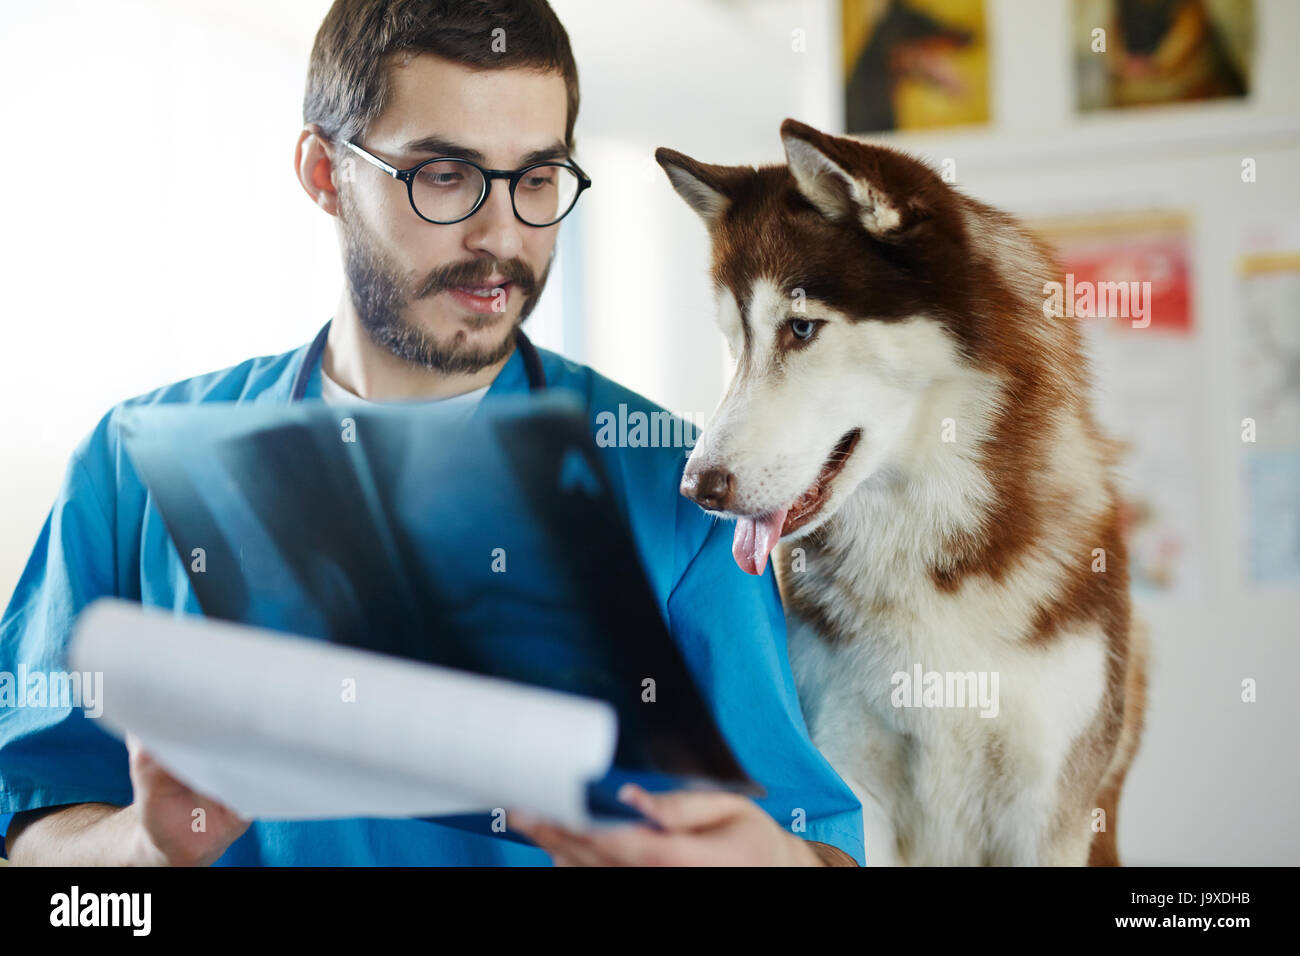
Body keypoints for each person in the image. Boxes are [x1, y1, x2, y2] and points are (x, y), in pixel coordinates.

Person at [0, 0, 862, 866]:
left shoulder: (679, 485)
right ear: (325, 172)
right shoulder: (132, 469)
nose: (502, 237)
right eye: (445, 176)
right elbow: (32, 826)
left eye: (536, 180)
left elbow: (810, 841)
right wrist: (151, 847)